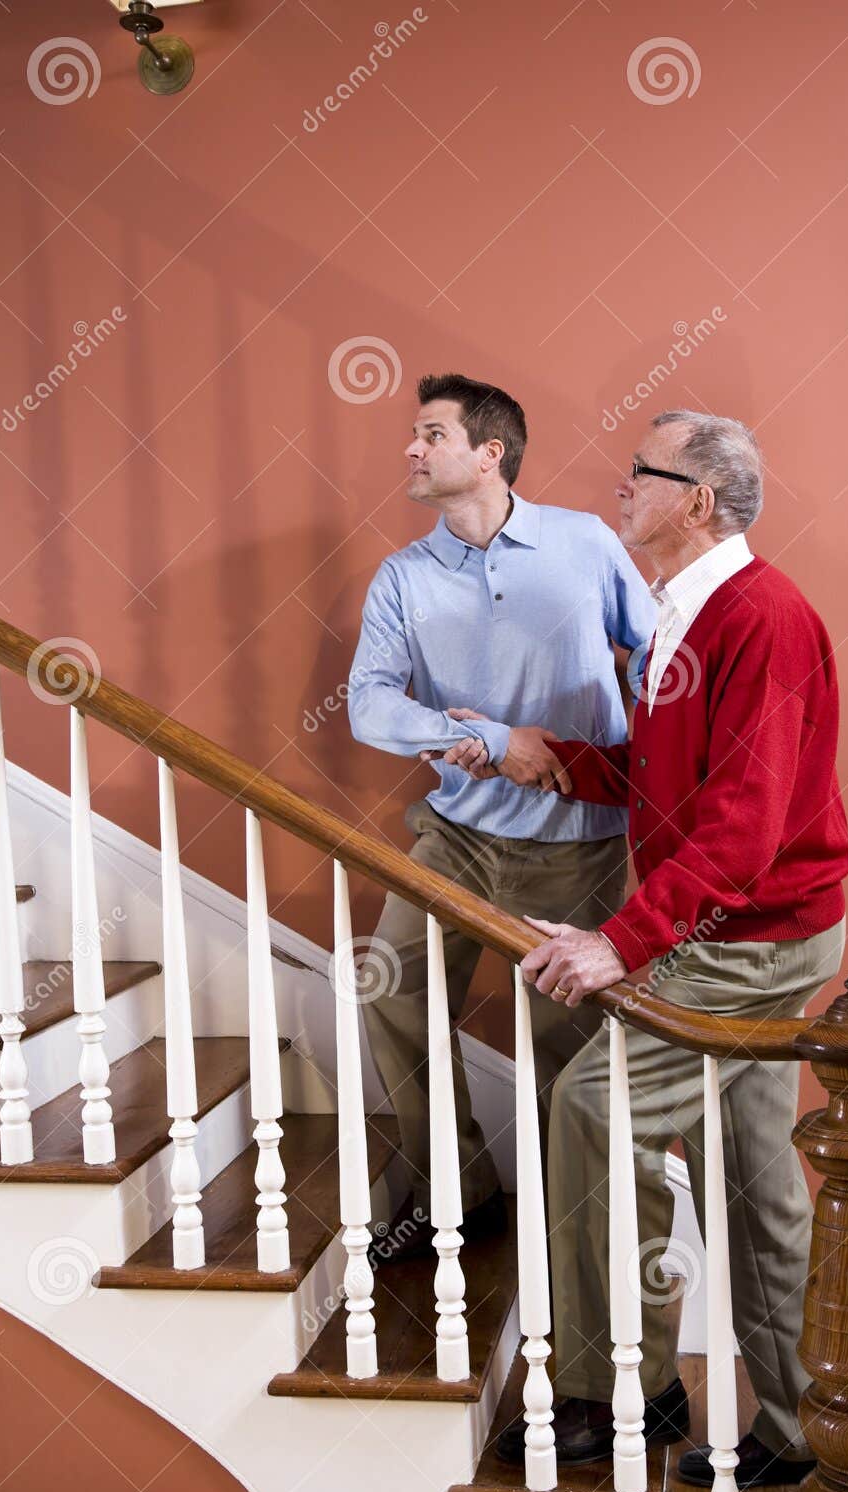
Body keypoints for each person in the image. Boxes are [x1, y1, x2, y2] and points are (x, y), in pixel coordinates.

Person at [454, 410, 848, 1485]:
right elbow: (671, 781)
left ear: (697, 502)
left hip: (753, 939)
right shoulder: (685, 611)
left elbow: (744, 822)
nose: (617, 485)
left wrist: (619, 942)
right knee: (754, 1179)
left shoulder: (759, 617)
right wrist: (551, 763)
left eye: (641, 471)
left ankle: (621, 1387)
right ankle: (807, 1428)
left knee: (591, 1106)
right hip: (748, 927)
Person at [347, 372, 656, 1262]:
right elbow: (369, 702)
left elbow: (653, 654)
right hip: (457, 837)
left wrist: (639, 765)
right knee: (391, 992)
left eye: (430, 434)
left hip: (575, 849)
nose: (411, 448)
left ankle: (578, 1254)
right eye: (413, 434)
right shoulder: (403, 576)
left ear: (489, 453)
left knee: (570, 1057)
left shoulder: (584, 542)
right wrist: (475, 733)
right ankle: (459, 1188)